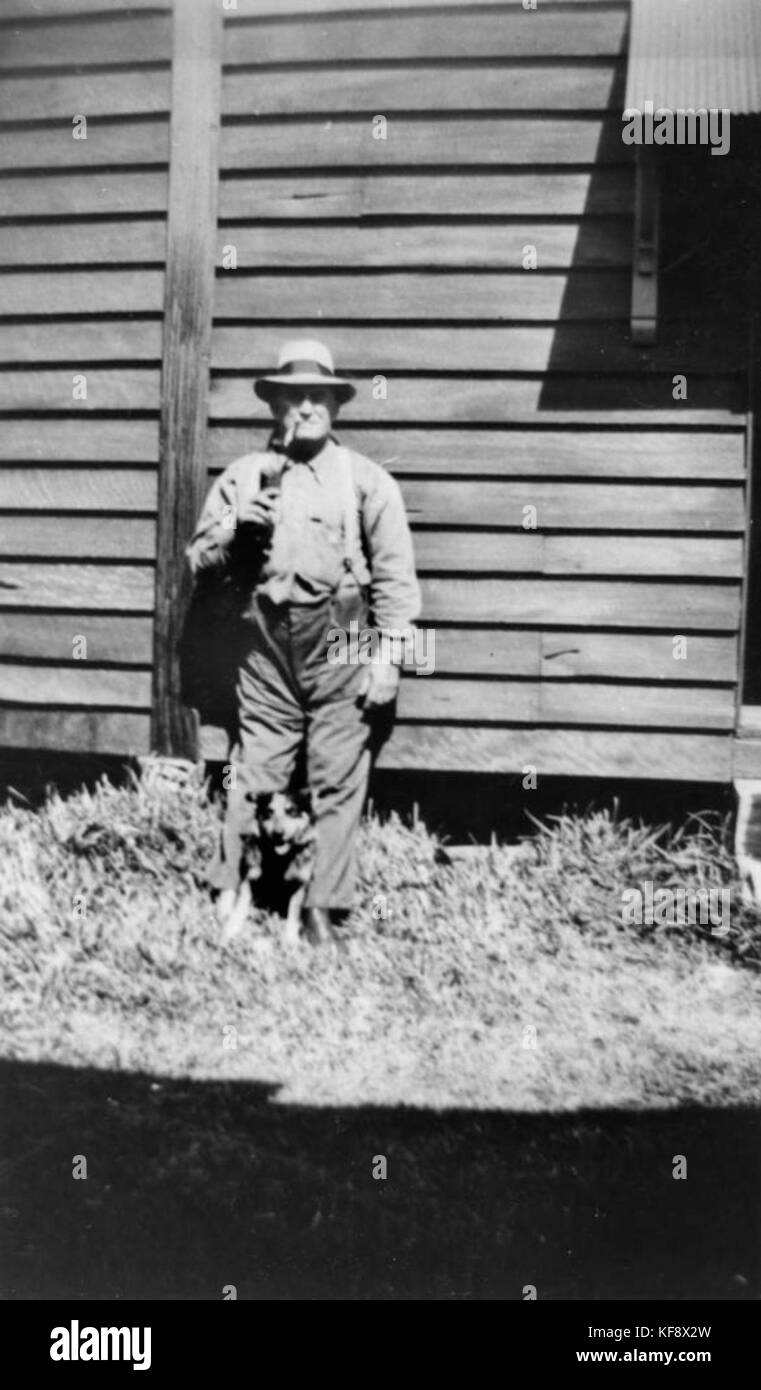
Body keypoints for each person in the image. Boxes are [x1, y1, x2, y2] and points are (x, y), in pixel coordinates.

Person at [185, 339, 421, 944]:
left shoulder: (367, 482)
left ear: (336, 405)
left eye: (320, 396)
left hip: (341, 637)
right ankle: (230, 888)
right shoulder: (243, 478)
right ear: (275, 405)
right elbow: (198, 563)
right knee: (253, 771)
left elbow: (395, 582)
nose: (307, 407)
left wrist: (388, 660)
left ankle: (322, 907)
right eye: (294, 396)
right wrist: (240, 535)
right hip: (262, 644)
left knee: (339, 772)